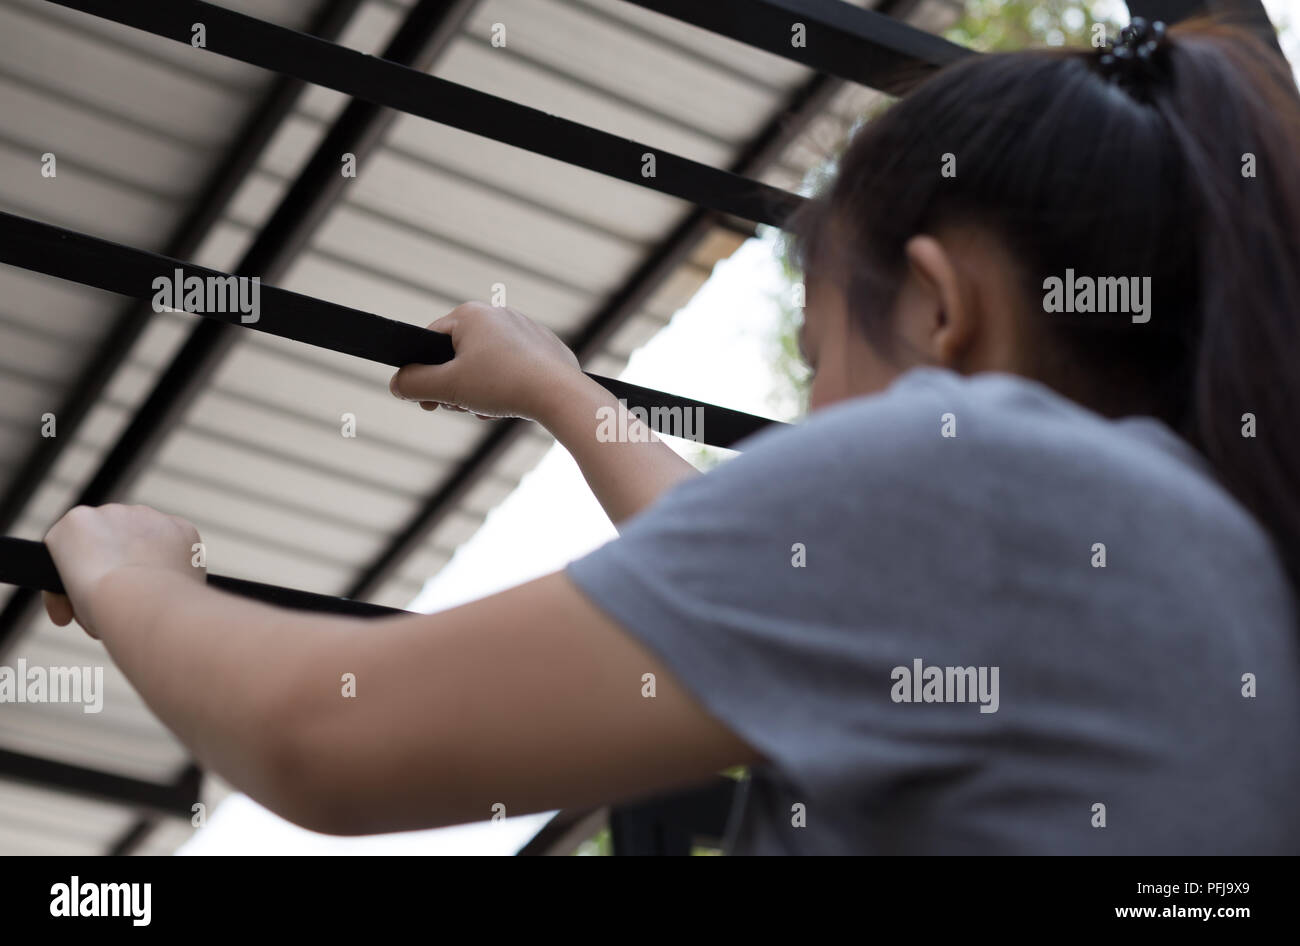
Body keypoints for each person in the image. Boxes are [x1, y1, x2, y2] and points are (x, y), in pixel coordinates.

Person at [40, 17, 1300, 853]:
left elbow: (323, 736)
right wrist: (558, 391)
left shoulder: (986, 477)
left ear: (936, 304)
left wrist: (126, 568)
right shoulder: (1195, 557)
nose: (815, 420)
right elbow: (811, 598)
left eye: (822, 362)